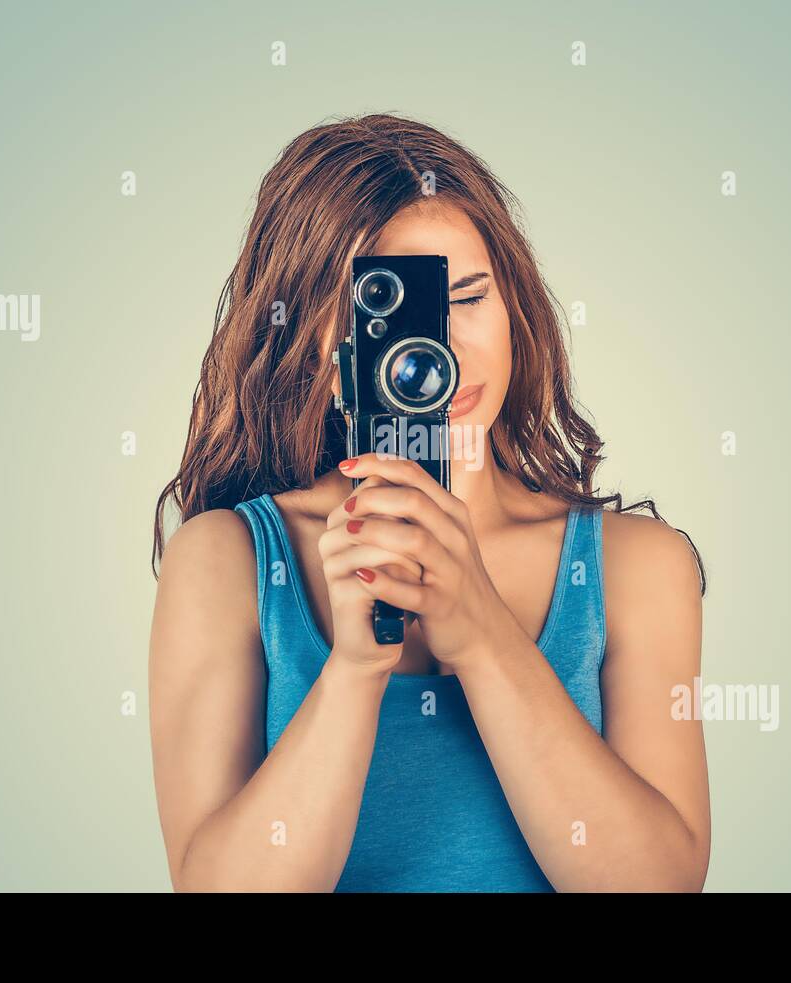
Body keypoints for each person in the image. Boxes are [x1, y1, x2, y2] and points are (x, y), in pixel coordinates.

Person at [148, 113, 710, 892]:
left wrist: (482, 633)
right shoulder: (226, 560)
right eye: (393, 322)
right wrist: (352, 667)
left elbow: (657, 885)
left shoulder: (637, 567)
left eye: (469, 297)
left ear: (515, 306)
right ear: (317, 343)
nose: (437, 354)